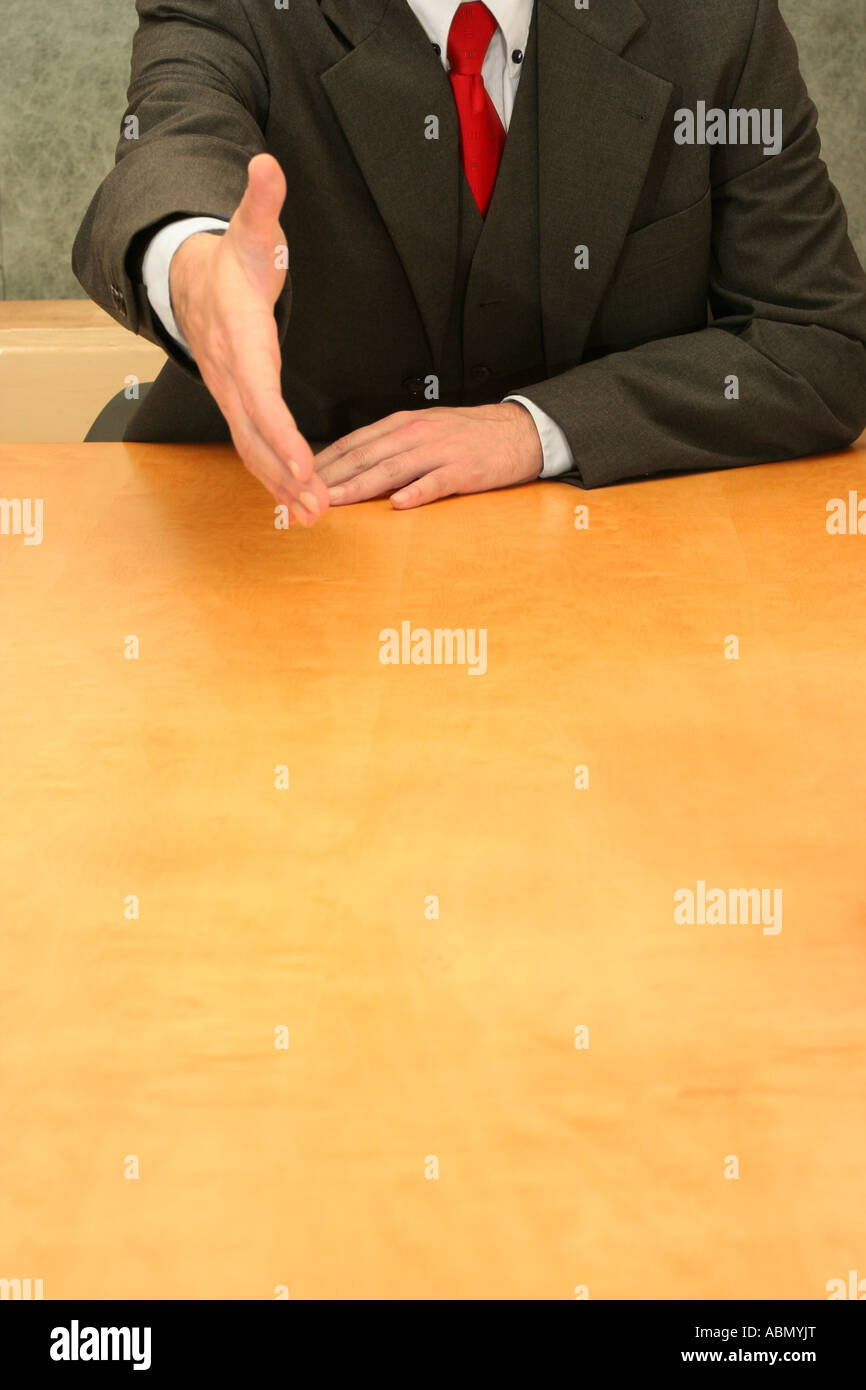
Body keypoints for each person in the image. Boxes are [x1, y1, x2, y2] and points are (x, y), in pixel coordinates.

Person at [72, 0, 866, 528]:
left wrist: (535, 430)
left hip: (614, 580)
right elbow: (174, 138)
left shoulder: (719, 21)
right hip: (272, 549)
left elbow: (819, 341)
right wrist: (191, 267)